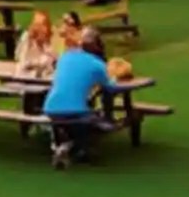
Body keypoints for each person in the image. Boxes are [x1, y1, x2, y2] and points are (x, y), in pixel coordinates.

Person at [42, 27, 116, 169]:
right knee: (96, 120)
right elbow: (110, 87)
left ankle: (66, 145)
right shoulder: (97, 64)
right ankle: (75, 148)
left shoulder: (65, 56)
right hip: (75, 111)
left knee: (77, 119)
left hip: (50, 108)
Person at [14, 10, 57, 79]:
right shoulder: (27, 38)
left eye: (44, 24)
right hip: (25, 78)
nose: (41, 28)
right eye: (37, 24)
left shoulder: (46, 44)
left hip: (43, 79)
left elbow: (55, 60)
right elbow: (23, 61)